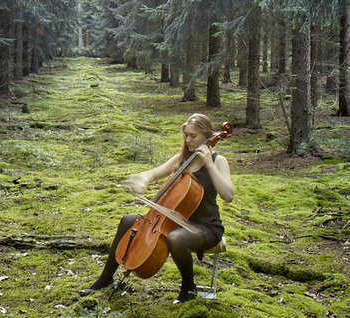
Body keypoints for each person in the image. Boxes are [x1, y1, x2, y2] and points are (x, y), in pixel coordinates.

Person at [81, 113, 235, 303]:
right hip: (177, 220)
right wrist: (142, 180)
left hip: (205, 226)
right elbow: (153, 174)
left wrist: (210, 165)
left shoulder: (219, 161)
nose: (188, 140)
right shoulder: (183, 158)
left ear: (207, 135)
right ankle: (105, 278)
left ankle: (189, 288)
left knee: (175, 238)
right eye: (186, 135)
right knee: (128, 220)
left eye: (193, 136)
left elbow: (228, 196)